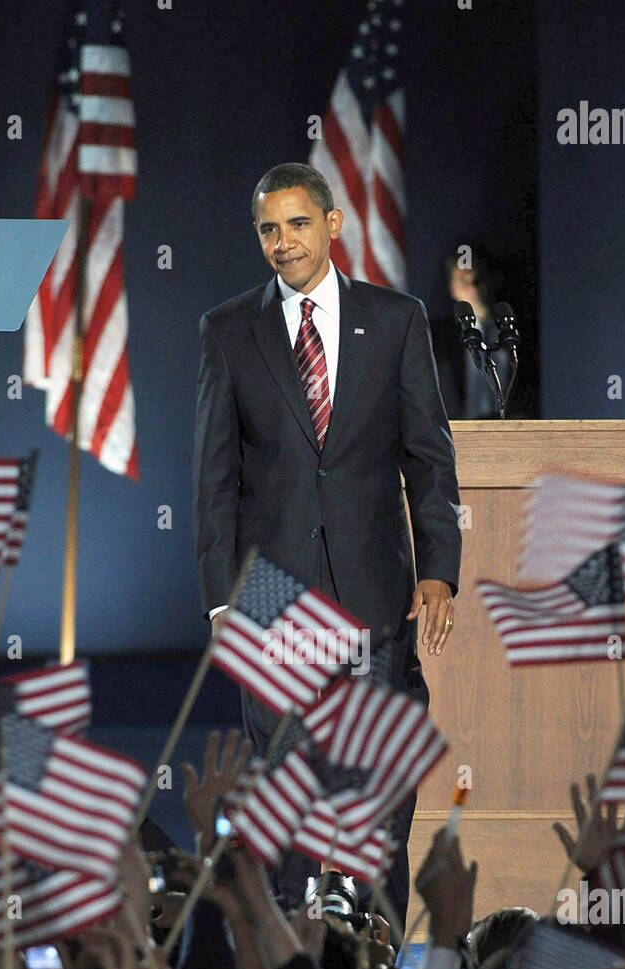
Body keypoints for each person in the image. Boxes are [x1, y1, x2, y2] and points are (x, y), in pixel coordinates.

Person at [193, 162, 462, 926]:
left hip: (372, 588)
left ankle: (372, 963)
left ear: (333, 223)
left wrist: (439, 569)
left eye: (298, 224)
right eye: (268, 230)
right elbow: (213, 480)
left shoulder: (397, 319)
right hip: (270, 597)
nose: (284, 243)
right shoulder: (227, 329)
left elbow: (428, 456)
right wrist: (221, 600)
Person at [429, 243, 516, 420]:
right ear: (452, 287)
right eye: (463, 281)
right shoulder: (436, 336)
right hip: (456, 436)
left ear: (492, 279)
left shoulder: (513, 330)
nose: (473, 287)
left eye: (478, 279)